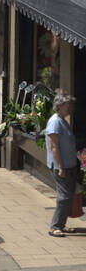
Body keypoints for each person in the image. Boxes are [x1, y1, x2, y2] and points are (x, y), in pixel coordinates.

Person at [46, 92, 81, 237]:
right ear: (59, 106)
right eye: (68, 104)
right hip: (62, 167)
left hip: (69, 165)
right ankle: (55, 227)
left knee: (68, 196)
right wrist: (60, 167)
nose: (71, 107)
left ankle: (61, 225)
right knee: (64, 197)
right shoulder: (55, 122)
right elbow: (54, 147)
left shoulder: (62, 120)